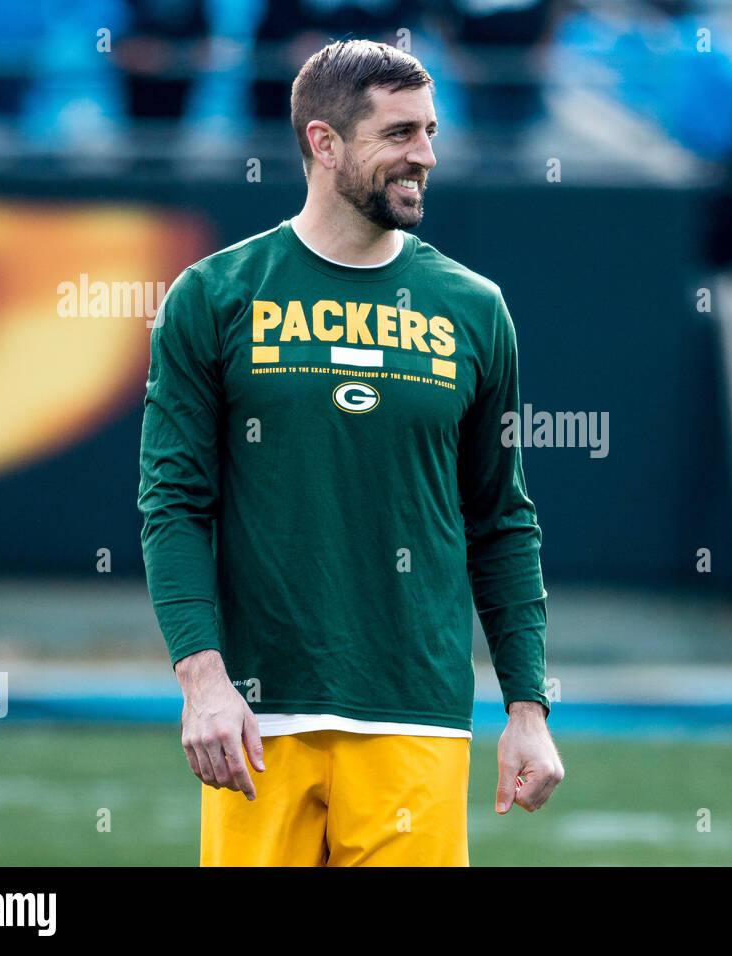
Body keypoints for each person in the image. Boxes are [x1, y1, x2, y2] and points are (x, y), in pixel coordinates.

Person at [138, 38, 563, 867]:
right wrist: (202, 681)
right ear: (324, 144)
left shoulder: (476, 310)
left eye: (432, 131)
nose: (428, 156)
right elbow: (174, 505)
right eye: (401, 133)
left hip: (417, 714)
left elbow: (502, 519)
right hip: (259, 721)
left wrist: (528, 707)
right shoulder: (213, 296)